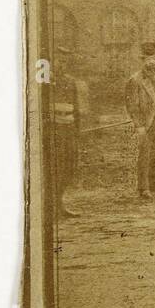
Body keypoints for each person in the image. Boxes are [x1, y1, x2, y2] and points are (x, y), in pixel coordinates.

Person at [124, 42, 155, 198]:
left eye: (154, 58)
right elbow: (132, 106)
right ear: (142, 61)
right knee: (145, 156)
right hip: (148, 126)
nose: (151, 62)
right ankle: (143, 188)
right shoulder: (135, 80)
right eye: (148, 59)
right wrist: (139, 126)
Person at [50, 44, 88, 218]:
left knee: (70, 165)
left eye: (65, 61)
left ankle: (60, 203)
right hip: (53, 129)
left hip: (69, 128)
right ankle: (51, 206)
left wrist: (77, 130)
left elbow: (77, 108)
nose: (62, 64)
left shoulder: (70, 81)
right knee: (53, 167)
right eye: (59, 60)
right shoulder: (44, 80)